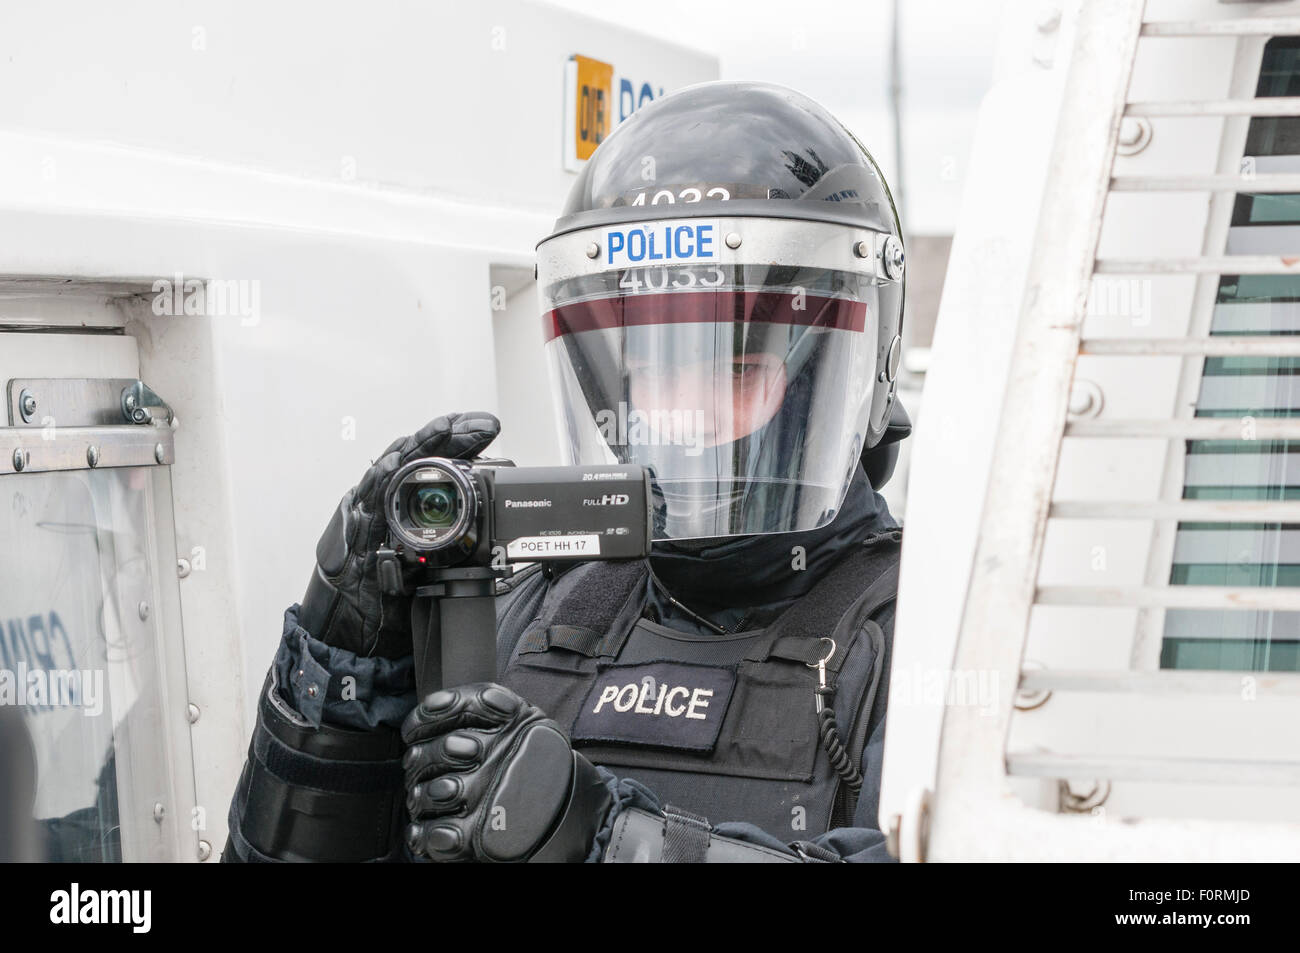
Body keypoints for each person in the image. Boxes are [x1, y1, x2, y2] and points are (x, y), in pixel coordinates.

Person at [223, 81, 910, 863]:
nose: (685, 415)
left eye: (736, 368)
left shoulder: (922, 642)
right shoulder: (530, 609)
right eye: (657, 371)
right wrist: (341, 673)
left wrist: (603, 838)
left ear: (838, 375)